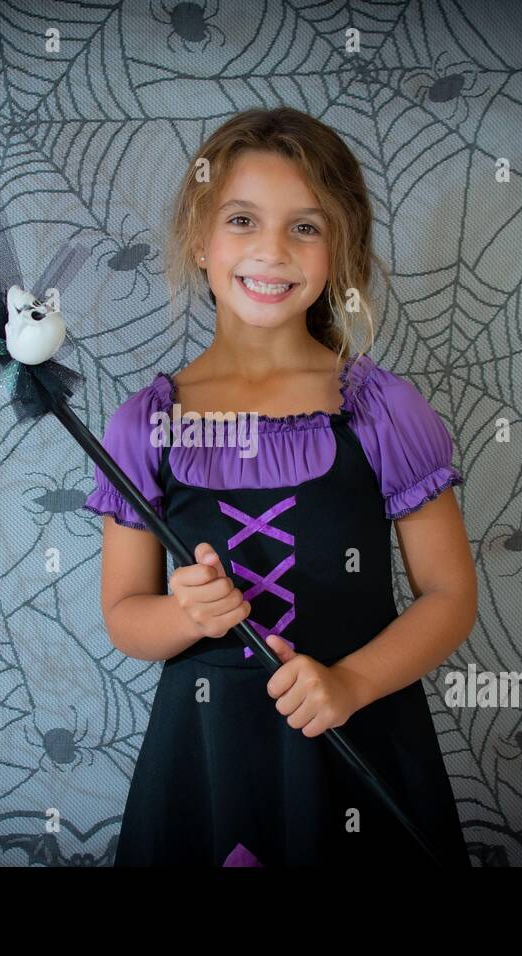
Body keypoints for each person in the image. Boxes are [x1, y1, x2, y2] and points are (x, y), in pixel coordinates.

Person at [83, 107, 476, 866]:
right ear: (200, 240)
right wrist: (186, 613)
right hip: (207, 758)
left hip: (361, 737)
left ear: (341, 248)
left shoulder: (379, 407)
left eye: (306, 226)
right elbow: (126, 618)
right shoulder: (144, 424)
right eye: (241, 220)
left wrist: (352, 683)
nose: (272, 250)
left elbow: (450, 596)